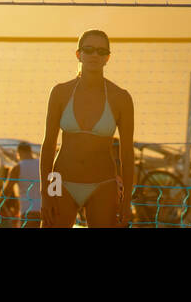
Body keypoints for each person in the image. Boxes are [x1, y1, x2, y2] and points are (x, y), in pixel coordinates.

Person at [40, 29, 135, 228]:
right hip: (60, 182)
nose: (94, 55)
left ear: (108, 58)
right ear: (78, 54)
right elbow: (48, 145)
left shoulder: (121, 98)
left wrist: (126, 201)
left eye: (101, 52)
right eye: (89, 49)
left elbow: (127, 154)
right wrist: (46, 194)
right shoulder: (60, 92)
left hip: (103, 183)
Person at [4, 142, 42, 227]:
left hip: (27, 212)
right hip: (43, 212)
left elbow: (7, 191)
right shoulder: (41, 164)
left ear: (19, 152)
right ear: (30, 151)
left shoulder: (17, 167)